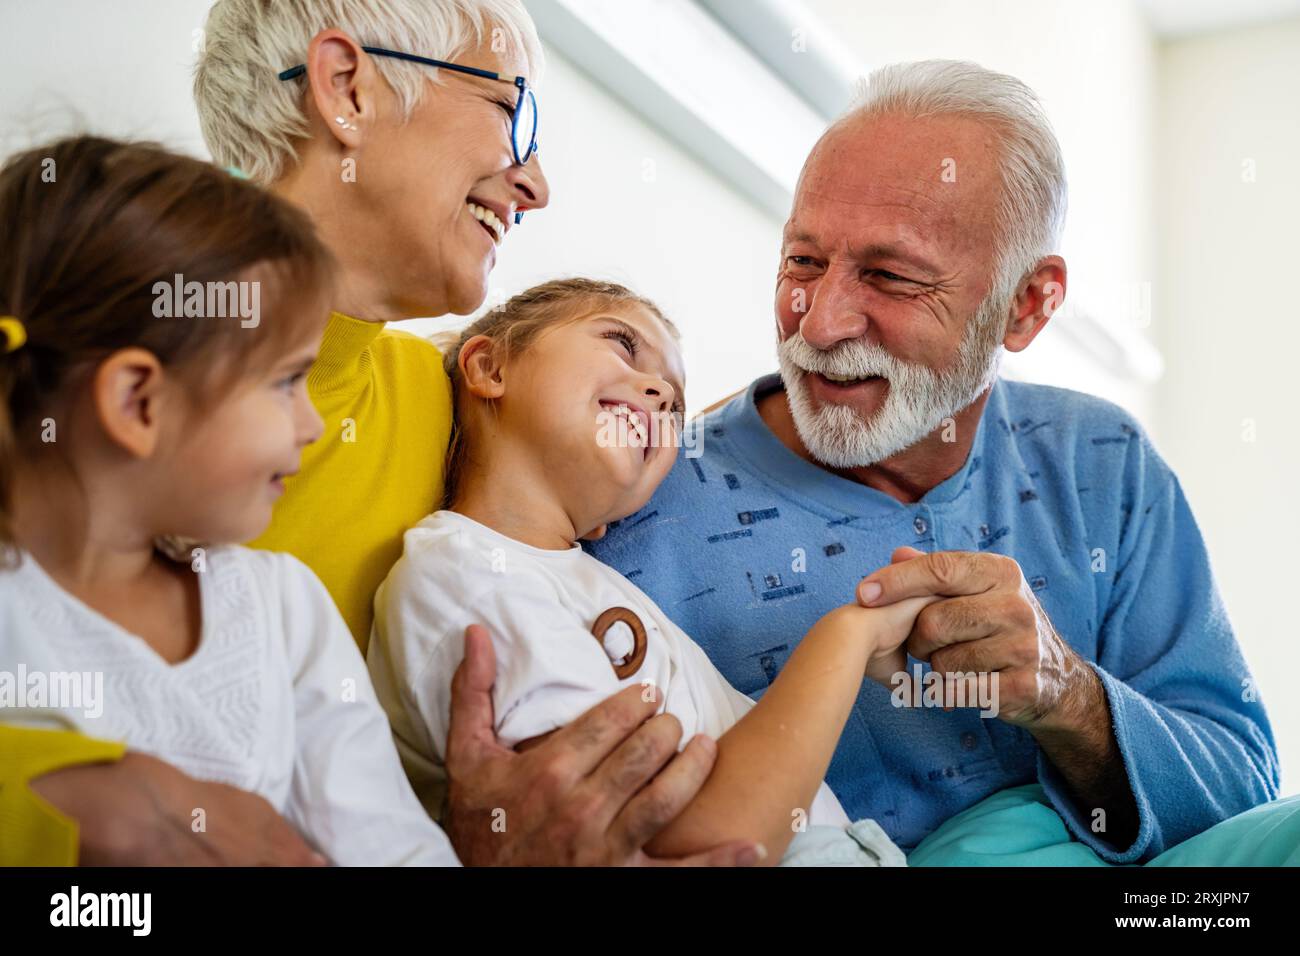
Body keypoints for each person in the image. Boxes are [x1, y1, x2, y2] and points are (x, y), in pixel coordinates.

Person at [1, 0, 755, 867]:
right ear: (347, 87)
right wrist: (57, 795)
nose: (536, 181)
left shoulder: (468, 413)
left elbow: (663, 430)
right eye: (510, 110)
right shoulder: (42, 381)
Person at [584, 60, 1282, 864]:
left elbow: (1246, 796)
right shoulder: (638, 494)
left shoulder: (1104, 462)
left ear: (1026, 305)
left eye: (889, 276)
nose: (819, 325)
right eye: (804, 262)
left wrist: (1067, 695)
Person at [368, 277, 946, 864]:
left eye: (673, 406)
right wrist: (849, 636)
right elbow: (701, 840)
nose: (657, 395)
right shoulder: (464, 575)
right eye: (622, 344)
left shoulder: (584, 577)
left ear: (608, 522)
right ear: (491, 367)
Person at [0, 135, 456, 866]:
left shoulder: (281, 610)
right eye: (285, 381)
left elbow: (396, 850)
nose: (311, 422)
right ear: (138, 401)